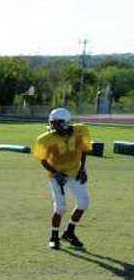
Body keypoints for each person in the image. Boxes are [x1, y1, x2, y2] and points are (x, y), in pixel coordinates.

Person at [34, 107, 92, 250]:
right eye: (53, 123)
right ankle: (53, 237)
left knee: (83, 203)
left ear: (66, 122)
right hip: (57, 175)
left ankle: (69, 232)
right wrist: (55, 173)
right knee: (60, 208)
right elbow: (43, 160)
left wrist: (83, 168)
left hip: (75, 172)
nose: (54, 126)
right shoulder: (45, 139)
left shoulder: (80, 131)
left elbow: (84, 150)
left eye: (58, 123)